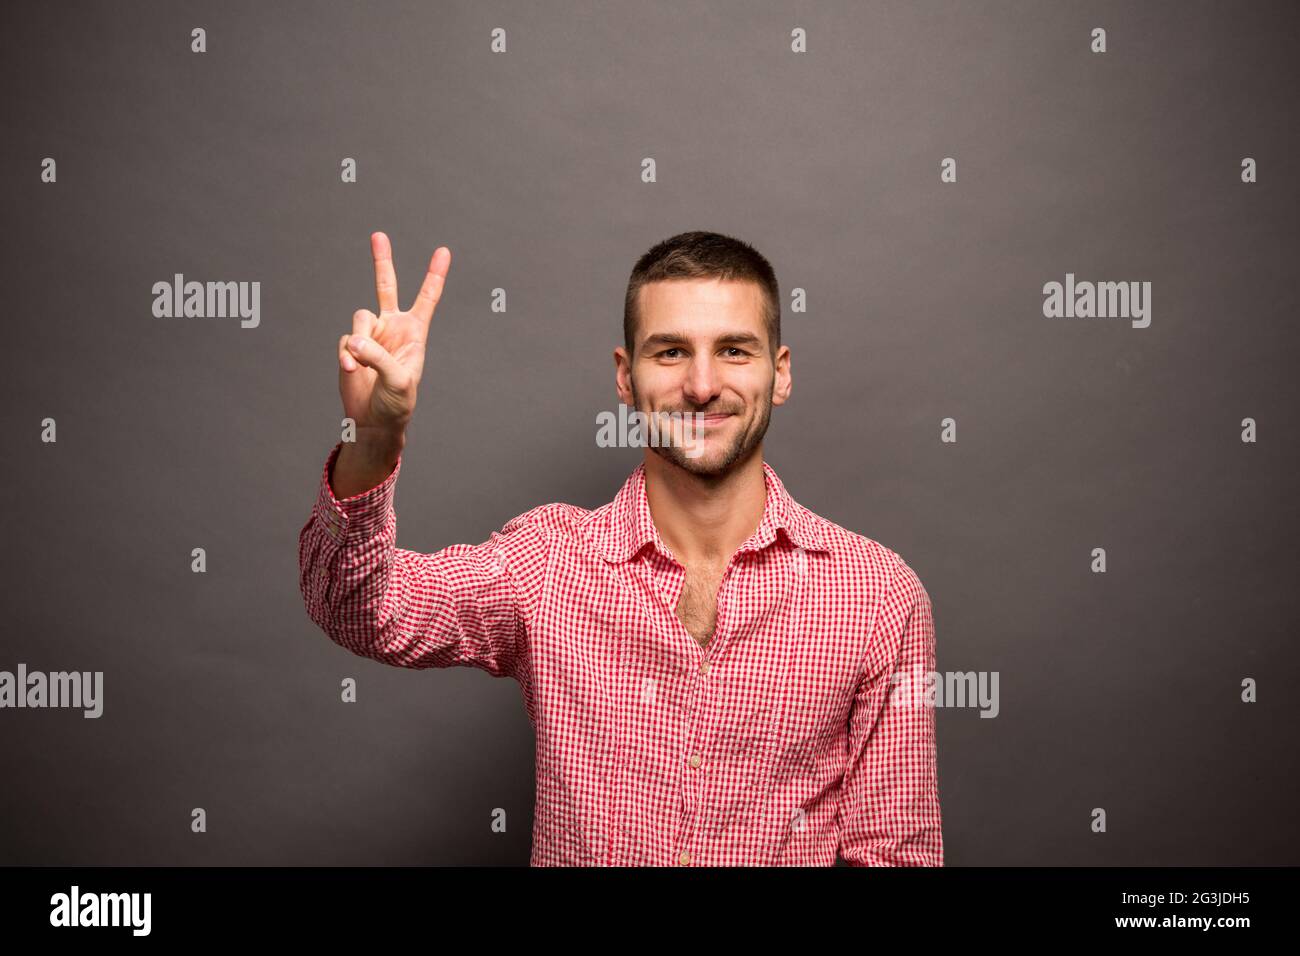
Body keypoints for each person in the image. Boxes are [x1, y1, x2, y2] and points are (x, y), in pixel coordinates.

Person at [298, 229, 943, 866]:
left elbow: (896, 853)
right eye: (668, 352)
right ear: (624, 378)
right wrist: (375, 437)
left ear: (779, 374)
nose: (701, 385)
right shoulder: (548, 562)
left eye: (735, 351)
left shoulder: (878, 595)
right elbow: (362, 610)